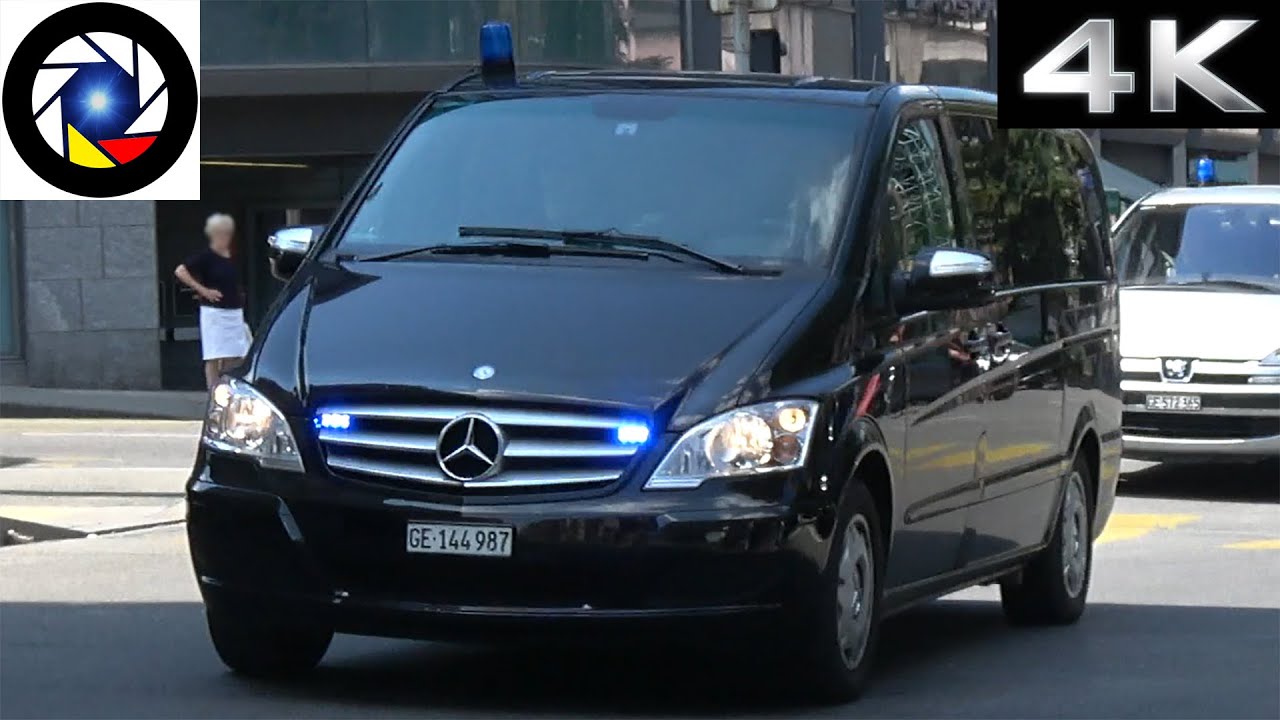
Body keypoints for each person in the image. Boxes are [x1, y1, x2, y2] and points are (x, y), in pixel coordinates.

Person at [175, 213, 250, 390]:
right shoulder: (206, 257)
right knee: (214, 354)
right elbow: (180, 271)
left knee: (235, 354)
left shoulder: (232, 256)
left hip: (234, 312)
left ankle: (226, 389)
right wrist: (203, 290)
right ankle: (212, 391)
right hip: (214, 312)